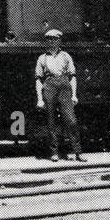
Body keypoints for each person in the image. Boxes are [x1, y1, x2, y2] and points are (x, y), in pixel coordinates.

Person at [36, 29, 84, 161]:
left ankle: (78, 152)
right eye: (49, 39)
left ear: (59, 41)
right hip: (49, 86)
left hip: (64, 87)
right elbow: (38, 80)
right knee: (51, 122)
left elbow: (72, 77)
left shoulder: (66, 56)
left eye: (54, 39)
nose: (51, 41)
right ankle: (54, 153)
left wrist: (74, 95)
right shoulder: (42, 58)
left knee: (71, 120)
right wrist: (40, 99)